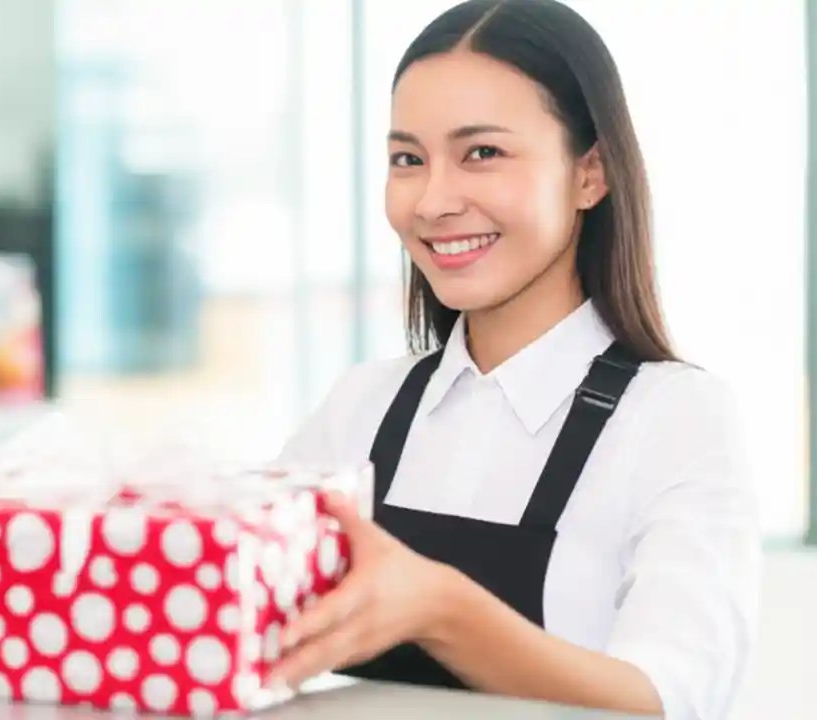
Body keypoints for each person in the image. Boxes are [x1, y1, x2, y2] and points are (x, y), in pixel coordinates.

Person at [267, 2, 760, 719]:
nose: (433, 201)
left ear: (590, 174)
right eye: (408, 159)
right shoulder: (360, 408)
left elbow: (665, 700)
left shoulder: (678, 419)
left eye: (483, 153)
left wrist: (440, 608)